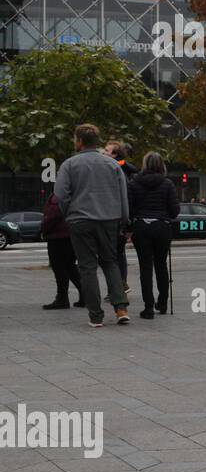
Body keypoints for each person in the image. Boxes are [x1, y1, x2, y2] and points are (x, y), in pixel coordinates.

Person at [53, 124, 130, 327]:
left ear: (79, 141)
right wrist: (123, 219)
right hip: (109, 219)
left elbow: (60, 194)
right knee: (110, 262)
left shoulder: (69, 165)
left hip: (80, 220)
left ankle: (95, 316)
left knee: (87, 267)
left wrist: (69, 212)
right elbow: (123, 195)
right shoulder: (112, 164)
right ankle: (121, 307)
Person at [128, 151, 179, 319]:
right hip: (162, 226)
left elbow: (130, 208)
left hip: (141, 226)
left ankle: (148, 307)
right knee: (161, 265)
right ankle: (162, 302)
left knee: (145, 267)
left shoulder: (134, 183)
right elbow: (174, 211)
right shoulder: (167, 184)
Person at [103, 139, 137, 290]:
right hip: (118, 218)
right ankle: (120, 284)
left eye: (107, 150)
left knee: (114, 254)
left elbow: (126, 198)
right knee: (117, 253)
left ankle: (119, 285)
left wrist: (127, 223)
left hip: (116, 218)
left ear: (115, 154)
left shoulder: (118, 170)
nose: (104, 152)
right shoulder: (123, 169)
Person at [40, 194, 84, 310]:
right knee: (70, 266)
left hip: (58, 235)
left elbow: (53, 215)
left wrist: (43, 228)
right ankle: (85, 295)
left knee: (59, 267)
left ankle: (62, 298)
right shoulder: (74, 192)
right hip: (72, 233)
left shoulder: (58, 195)